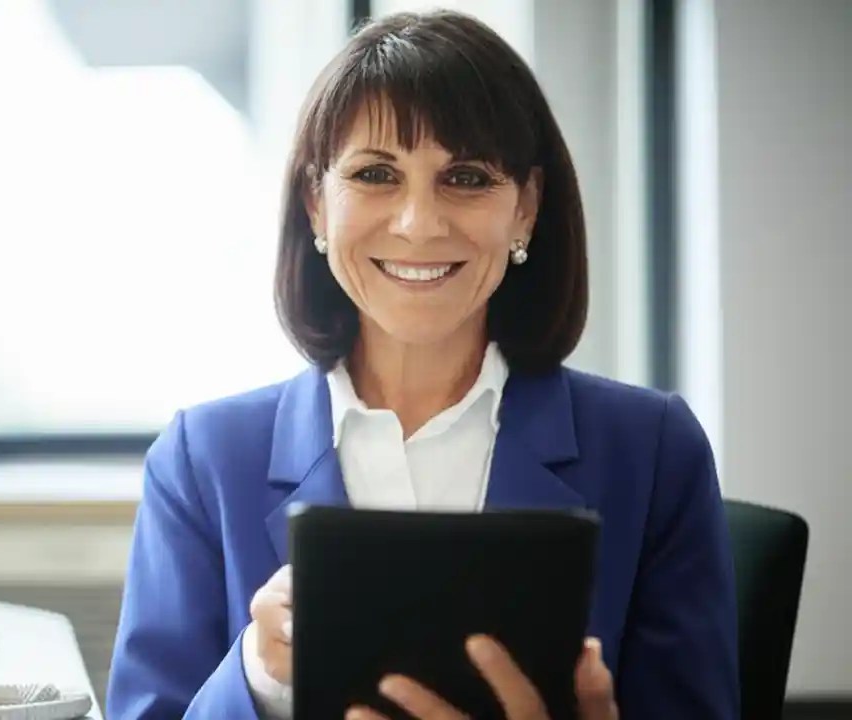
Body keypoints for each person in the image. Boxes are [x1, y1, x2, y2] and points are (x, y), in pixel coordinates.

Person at [106, 10, 738, 720]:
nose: (418, 223)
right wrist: (259, 672)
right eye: (376, 174)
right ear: (317, 204)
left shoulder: (651, 453)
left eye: (465, 177)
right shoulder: (203, 460)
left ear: (525, 209)